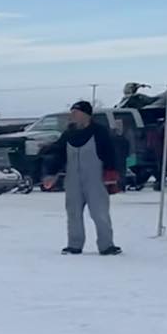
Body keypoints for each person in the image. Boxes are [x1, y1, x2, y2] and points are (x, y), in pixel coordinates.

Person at [52, 101, 120, 256]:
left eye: (76, 112)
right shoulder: (68, 134)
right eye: (72, 112)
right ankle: (74, 245)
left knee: (99, 213)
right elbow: (58, 153)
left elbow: (110, 153)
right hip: (72, 179)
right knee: (73, 213)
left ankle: (106, 245)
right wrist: (51, 170)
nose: (72, 116)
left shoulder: (99, 132)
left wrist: (111, 173)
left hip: (95, 178)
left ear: (86, 114)